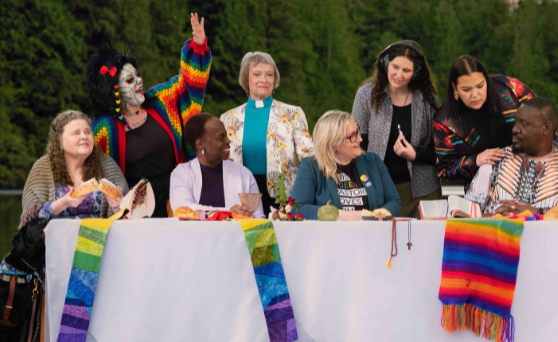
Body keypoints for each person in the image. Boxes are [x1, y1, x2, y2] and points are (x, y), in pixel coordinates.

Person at [86, 13, 211, 217]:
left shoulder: (161, 102)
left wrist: (198, 46)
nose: (139, 81)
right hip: (137, 210)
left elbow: (187, 83)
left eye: (138, 75)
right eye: (129, 80)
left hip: (179, 199)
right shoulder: (103, 128)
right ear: (114, 91)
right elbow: (84, 164)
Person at [465, 97, 558, 218]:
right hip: (495, 248)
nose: (515, 129)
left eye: (523, 124)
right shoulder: (494, 160)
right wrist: (496, 217)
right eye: (515, 122)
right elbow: (463, 215)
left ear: (546, 128)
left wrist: (538, 212)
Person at [351, 40, 441, 217]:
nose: (399, 74)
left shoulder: (427, 100)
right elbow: (356, 145)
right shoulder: (365, 95)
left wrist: (415, 155)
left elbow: (442, 149)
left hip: (424, 193)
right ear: (386, 64)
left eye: (406, 70)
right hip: (380, 191)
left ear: (416, 73)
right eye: (395, 67)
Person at [220, 51, 315, 208]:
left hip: (283, 197)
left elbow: (309, 157)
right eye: (257, 74)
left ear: (275, 79)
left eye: (269, 75)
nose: (263, 80)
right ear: (246, 78)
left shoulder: (293, 114)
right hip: (240, 198)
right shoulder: (228, 118)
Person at [433, 55, 538, 184]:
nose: (475, 95)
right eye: (466, 89)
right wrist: (475, 160)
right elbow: (444, 170)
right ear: (455, 88)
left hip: (532, 178)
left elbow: (545, 124)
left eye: (480, 86)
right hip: (483, 191)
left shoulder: (511, 88)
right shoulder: (444, 122)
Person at [20, 111, 128, 227]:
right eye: (76, 133)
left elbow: (127, 215)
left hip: (99, 240)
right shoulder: (42, 167)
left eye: (87, 132)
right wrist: (63, 203)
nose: (84, 136)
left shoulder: (107, 165)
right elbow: (29, 218)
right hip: (55, 241)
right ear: (60, 142)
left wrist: (116, 207)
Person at [291, 110, 402, 220]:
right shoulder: (311, 166)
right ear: (333, 144)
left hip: (371, 234)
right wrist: (341, 215)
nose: (360, 139)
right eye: (352, 136)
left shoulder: (373, 161)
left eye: (357, 131)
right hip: (330, 236)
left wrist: (374, 216)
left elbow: (394, 201)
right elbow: (297, 209)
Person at [169, 113, 265, 218]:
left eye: (226, 135)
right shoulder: (181, 174)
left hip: (236, 234)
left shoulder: (244, 174)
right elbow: (184, 210)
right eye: (221, 138)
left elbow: (258, 217)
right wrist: (229, 212)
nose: (228, 141)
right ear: (200, 144)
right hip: (196, 234)